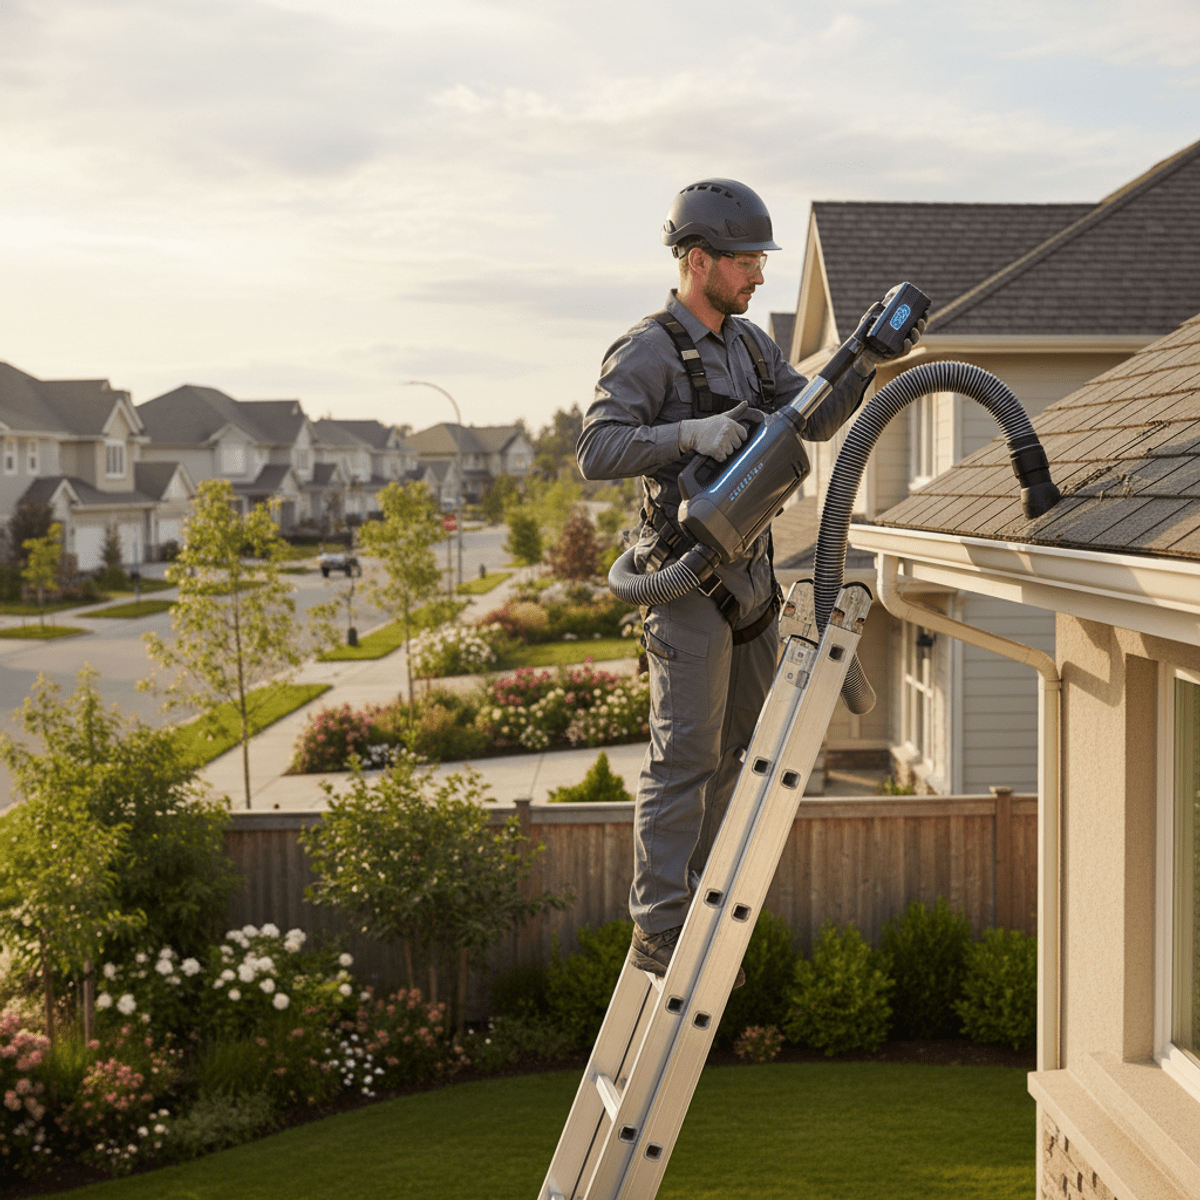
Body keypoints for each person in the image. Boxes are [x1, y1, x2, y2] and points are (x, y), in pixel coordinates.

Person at [576, 178, 919, 980]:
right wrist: (691, 430)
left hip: (753, 585)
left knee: (748, 750)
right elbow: (598, 450)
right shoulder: (648, 349)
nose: (759, 276)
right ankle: (659, 925)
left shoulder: (752, 346)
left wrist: (864, 360)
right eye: (746, 263)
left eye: (762, 263)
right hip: (688, 585)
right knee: (685, 757)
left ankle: (701, 891)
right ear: (699, 261)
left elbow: (818, 419)